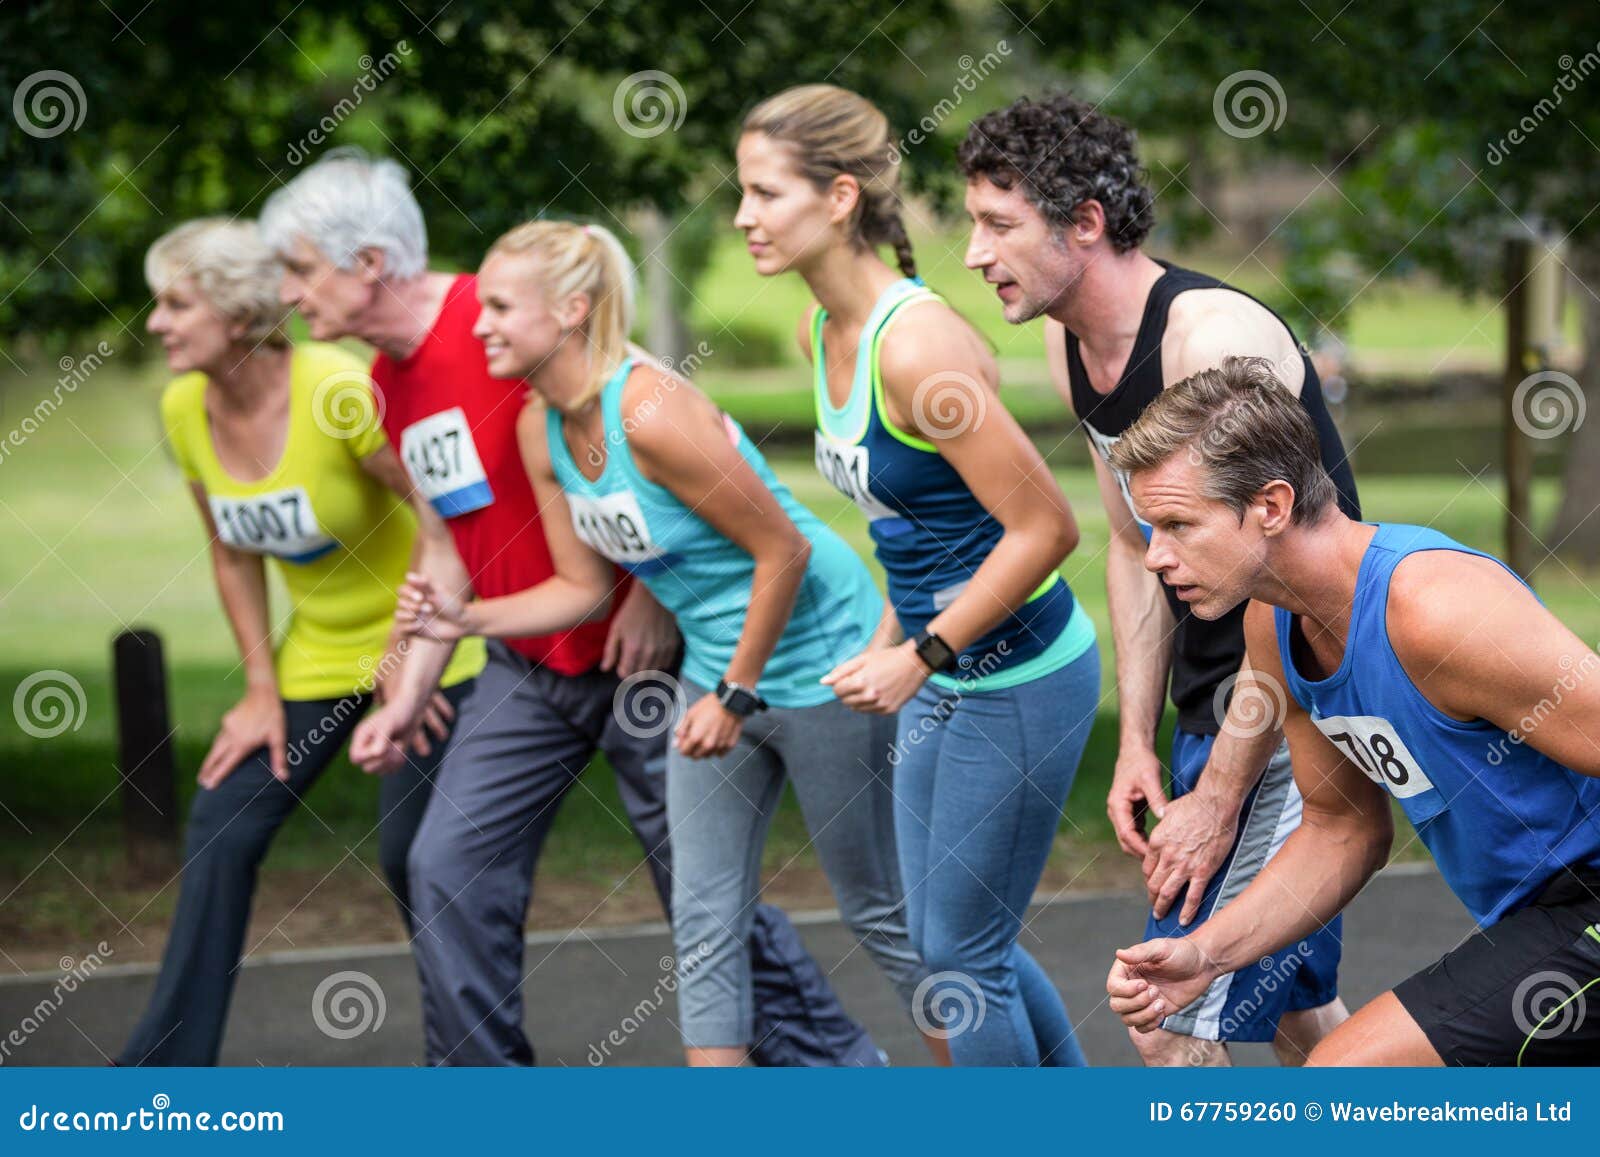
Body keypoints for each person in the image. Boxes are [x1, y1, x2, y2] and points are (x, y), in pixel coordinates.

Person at [259, 150, 885, 1067]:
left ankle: (832, 1072)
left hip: (640, 662)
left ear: (366, 264)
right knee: (444, 867)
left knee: (702, 894)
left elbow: (662, 422)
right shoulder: (390, 385)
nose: (287, 296)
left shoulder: (502, 311)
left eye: (300, 270)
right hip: (529, 665)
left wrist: (646, 594)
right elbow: (442, 546)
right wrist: (403, 691)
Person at [399, 219, 931, 1065]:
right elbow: (580, 589)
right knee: (704, 917)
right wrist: (465, 620)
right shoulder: (543, 427)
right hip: (718, 674)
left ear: (572, 310)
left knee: (880, 912)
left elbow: (784, 550)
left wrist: (735, 693)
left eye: (500, 306)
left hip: (831, 661)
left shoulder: (649, 410)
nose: (479, 323)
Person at [958, 94, 1356, 1065]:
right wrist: (1136, 737)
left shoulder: (1206, 341)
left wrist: (1220, 791)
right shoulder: (1071, 345)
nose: (973, 252)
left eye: (997, 224)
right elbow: (1137, 546)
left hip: (1296, 693)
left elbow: (1282, 575)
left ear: (1083, 222)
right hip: (1207, 705)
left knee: (1164, 1008)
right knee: (1300, 1012)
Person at [736, 84, 1101, 1067]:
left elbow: (1044, 525)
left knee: (958, 955)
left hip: (1020, 673)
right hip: (946, 669)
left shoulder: (917, 346)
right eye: (743, 193)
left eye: (765, 193)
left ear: (840, 195)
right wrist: (896, 641)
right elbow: (919, 524)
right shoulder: (827, 335)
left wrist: (921, 651)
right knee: (959, 938)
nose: (742, 217)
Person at [1104, 356, 1600, 1066]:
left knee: (1345, 1082)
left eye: (1178, 524)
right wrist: (1205, 955)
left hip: (1585, 903)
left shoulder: (1435, 611)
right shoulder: (1275, 625)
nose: (1155, 556)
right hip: (1531, 920)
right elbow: (1342, 829)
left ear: (1271, 506)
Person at [119, 218, 483, 1066]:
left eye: (177, 303)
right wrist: (257, 688)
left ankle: (469, 1064)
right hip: (314, 656)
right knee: (221, 823)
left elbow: (447, 518)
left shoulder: (338, 388)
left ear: (242, 314)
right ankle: (163, 1072)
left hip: (430, 647)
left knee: (413, 858)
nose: (157, 323)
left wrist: (409, 665)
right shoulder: (184, 405)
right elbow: (232, 552)